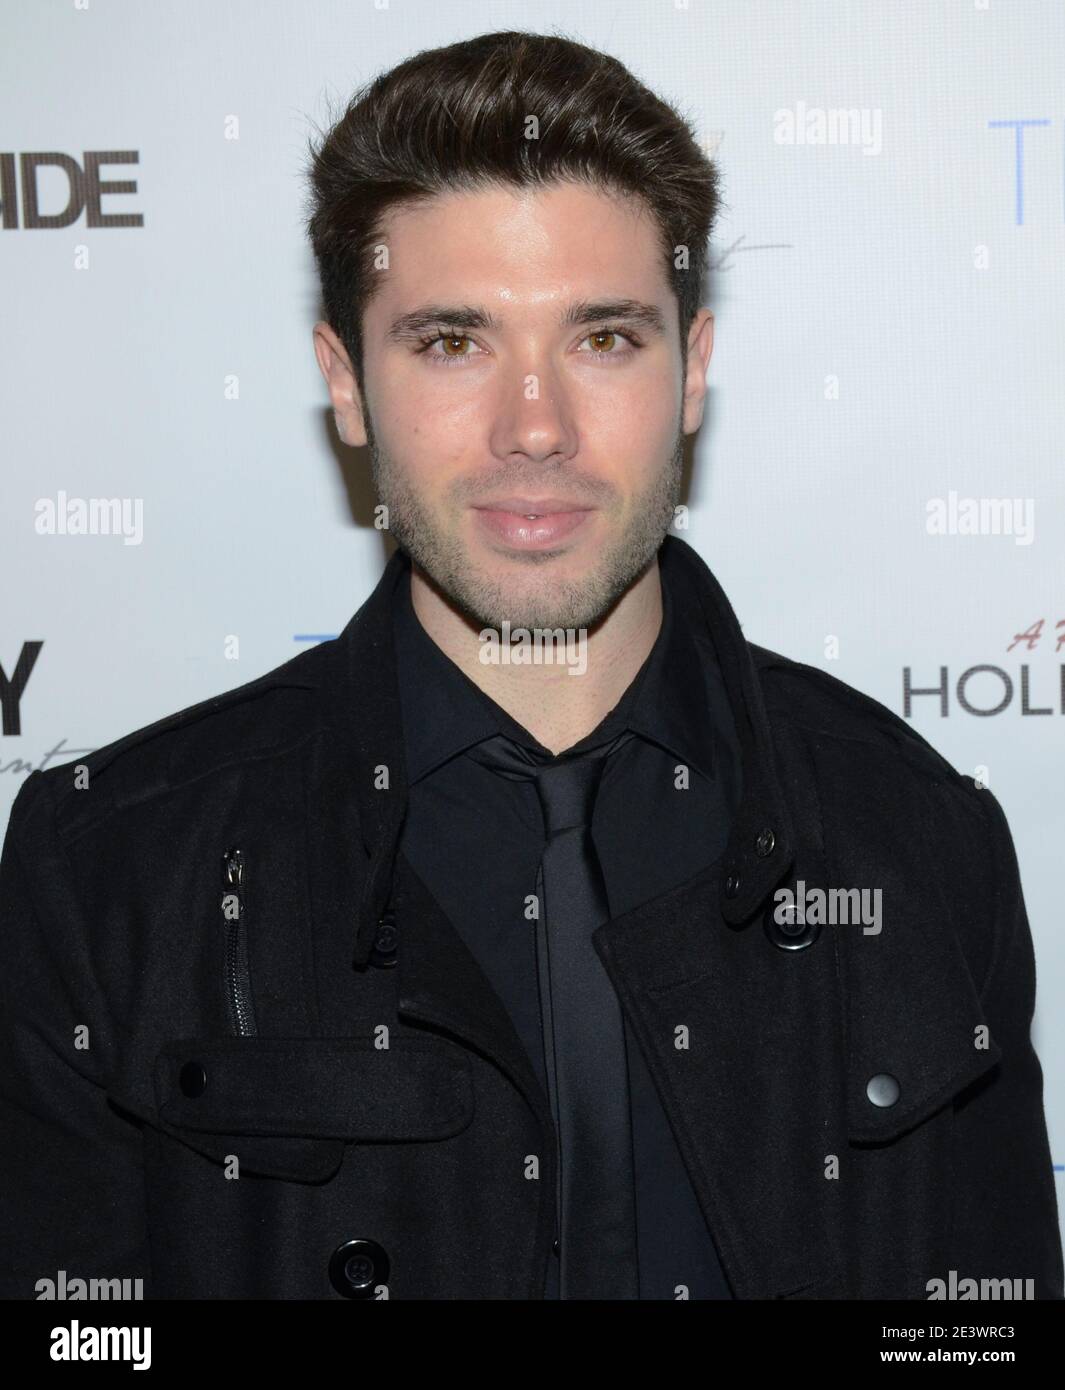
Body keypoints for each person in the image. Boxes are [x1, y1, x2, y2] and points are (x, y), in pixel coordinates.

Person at [1, 29, 1060, 1301]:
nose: (536, 427)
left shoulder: (921, 842)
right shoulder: (109, 868)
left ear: (692, 372)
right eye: (452, 342)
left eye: (603, 339)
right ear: (346, 385)